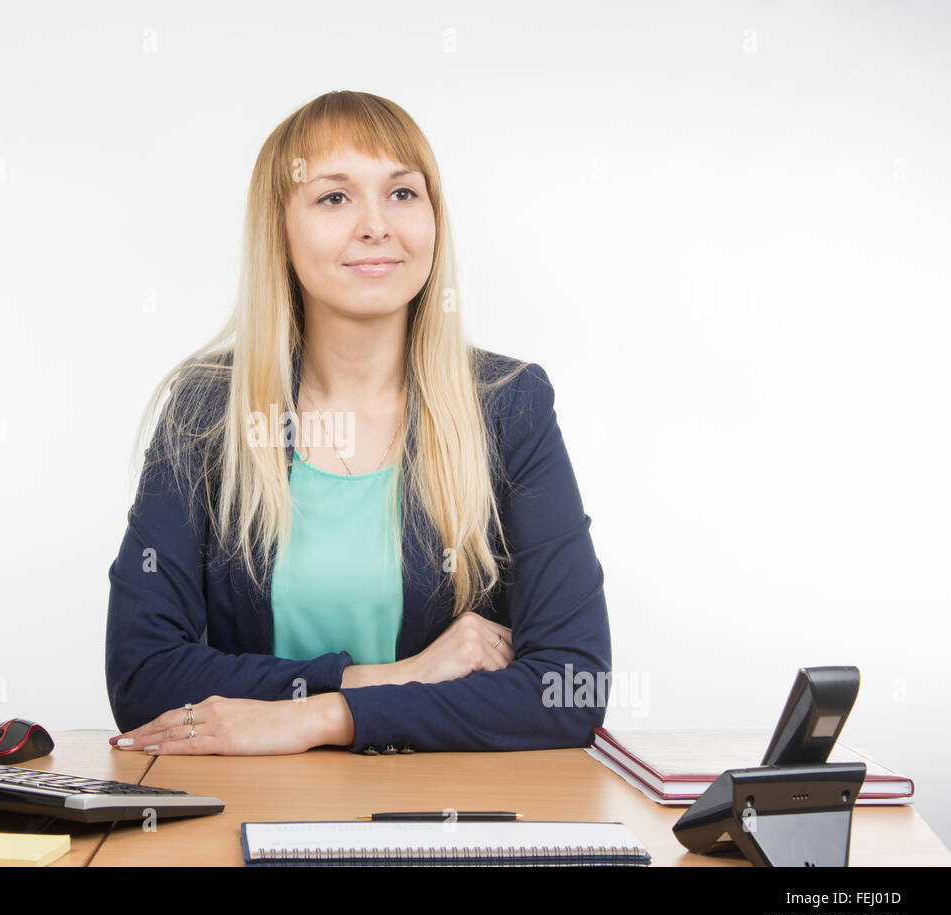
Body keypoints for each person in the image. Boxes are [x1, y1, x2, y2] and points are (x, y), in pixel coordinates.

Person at [105, 90, 610, 756]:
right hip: (251, 807)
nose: (376, 225)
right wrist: (397, 677)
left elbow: (569, 688)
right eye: (334, 198)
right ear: (278, 230)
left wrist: (320, 715)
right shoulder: (206, 413)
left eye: (402, 194)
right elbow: (144, 678)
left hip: (441, 812)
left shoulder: (509, 406)